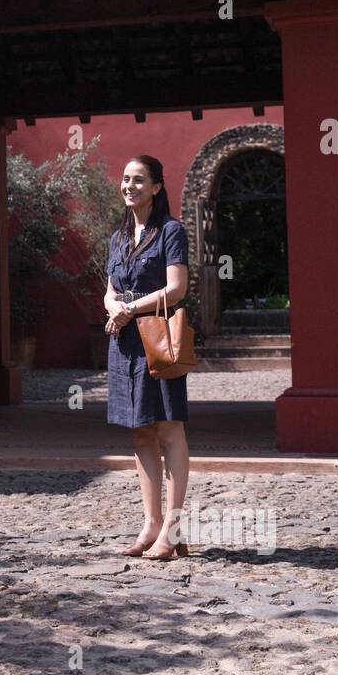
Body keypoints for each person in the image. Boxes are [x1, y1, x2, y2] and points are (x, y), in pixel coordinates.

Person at [102, 155, 193, 561]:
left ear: (156, 187)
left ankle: (173, 530)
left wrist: (131, 308)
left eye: (139, 180)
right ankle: (151, 525)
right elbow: (108, 290)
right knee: (139, 432)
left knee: (169, 430)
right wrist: (112, 307)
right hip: (124, 344)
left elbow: (177, 290)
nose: (129, 186)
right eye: (125, 180)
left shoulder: (171, 231)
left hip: (158, 341)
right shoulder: (118, 239)